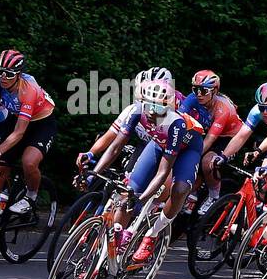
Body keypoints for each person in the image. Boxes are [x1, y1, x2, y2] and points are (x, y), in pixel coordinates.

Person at [88, 79, 205, 265]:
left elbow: (163, 172)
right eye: (147, 105)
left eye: (157, 108)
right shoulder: (136, 111)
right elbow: (115, 147)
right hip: (158, 144)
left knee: (180, 189)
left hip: (187, 149)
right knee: (128, 191)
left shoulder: (176, 124)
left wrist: (140, 200)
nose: (151, 112)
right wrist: (92, 174)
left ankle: (152, 235)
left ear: (168, 108)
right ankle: (110, 251)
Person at [0, 49, 56, 214]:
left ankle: (31, 196)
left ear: (19, 74)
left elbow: (19, 132)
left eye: (9, 74)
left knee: (28, 162)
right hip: (15, 118)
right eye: (1, 72)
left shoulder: (29, 89)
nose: (3, 77)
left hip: (41, 124)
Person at [179, 70, 243, 211]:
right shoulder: (192, 98)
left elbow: (209, 140)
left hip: (230, 137)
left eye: (203, 90)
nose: (199, 94)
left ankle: (214, 195)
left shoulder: (223, 109)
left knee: (207, 162)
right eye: (195, 89)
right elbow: (178, 119)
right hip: (208, 130)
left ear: (215, 91)